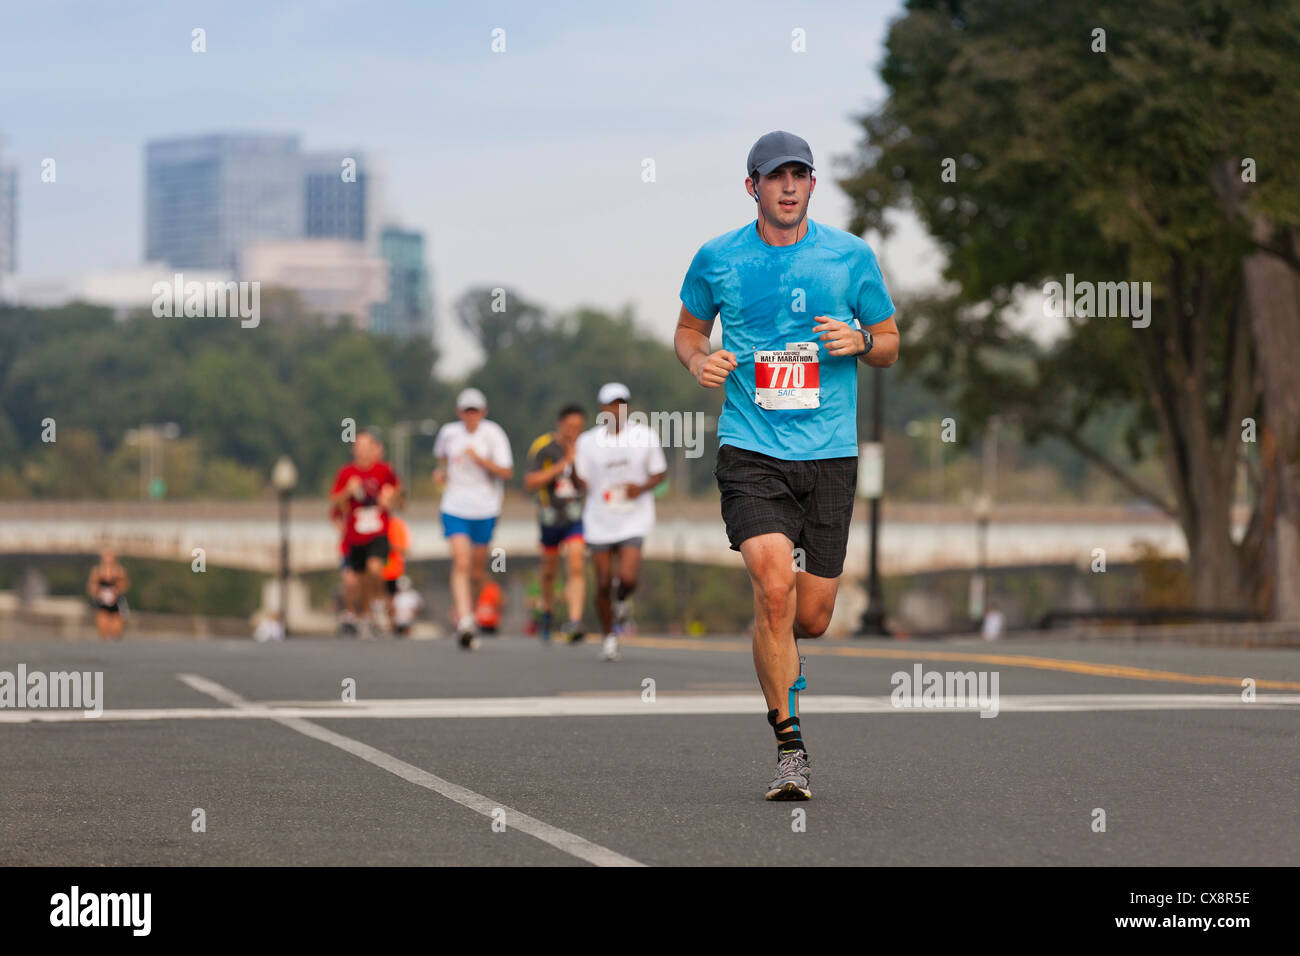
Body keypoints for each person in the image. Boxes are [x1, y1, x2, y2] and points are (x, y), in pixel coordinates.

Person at [674, 130, 900, 800]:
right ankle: (789, 746)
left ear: (810, 184)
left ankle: (777, 638)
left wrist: (859, 340)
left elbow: (889, 342)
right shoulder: (718, 258)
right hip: (751, 449)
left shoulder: (849, 257)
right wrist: (698, 360)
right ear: (753, 187)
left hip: (829, 454)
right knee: (774, 588)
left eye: (799, 174)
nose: (789, 186)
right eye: (776, 177)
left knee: (811, 617)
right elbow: (688, 330)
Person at [573, 383, 667, 661]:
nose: (617, 409)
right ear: (602, 409)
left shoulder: (644, 435)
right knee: (603, 582)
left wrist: (641, 487)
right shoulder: (587, 442)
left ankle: (623, 598)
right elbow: (581, 483)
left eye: (621, 403)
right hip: (600, 518)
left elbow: (659, 473)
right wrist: (572, 473)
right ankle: (609, 636)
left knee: (627, 577)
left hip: (633, 517)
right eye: (611, 404)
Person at [433, 387, 514, 650]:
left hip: (485, 507)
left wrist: (480, 460)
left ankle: (473, 611)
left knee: (477, 571)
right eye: (466, 411)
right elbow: (442, 460)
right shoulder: (448, 433)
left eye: (475, 411)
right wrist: (441, 474)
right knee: (461, 561)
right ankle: (466, 619)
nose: (471, 416)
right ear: (459, 412)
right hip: (455, 506)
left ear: (483, 412)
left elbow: (506, 471)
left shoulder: (493, 434)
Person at [523, 404, 588, 644]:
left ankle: (574, 619)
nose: (574, 432)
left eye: (579, 428)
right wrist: (562, 465)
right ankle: (547, 612)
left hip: (575, 516)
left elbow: (589, 482)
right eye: (570, 427)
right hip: (549, 515)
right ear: (560, 425)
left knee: (576, 562)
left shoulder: (588, 446)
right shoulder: (543, 447)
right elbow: (530, 481)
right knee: (549, 570)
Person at [329, 428, 400, 640]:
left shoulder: (385, 471)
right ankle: (363, 615)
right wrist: (348, 492)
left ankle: (376, 605)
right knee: (358, 579)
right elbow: (333, 502)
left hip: (378, 532)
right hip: (354, 536)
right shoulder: (346, 473)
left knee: (375, 568)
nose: (363, 452)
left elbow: (401, 499)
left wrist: (391, 498)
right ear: (353, 450)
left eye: (367, 447)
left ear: (375, 448)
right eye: (358, 447)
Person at [86, 549, 130, 640]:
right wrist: (98, 593)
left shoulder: (119, 570)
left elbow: (124, 585)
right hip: (102, 600)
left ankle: (115, 642)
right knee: (102, 625)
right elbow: (92, 586)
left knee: (117, 627)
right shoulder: (97, 571)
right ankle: (104, 644)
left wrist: (116, 591)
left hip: (116, 600)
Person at [382, 510, 412, 634]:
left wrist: (388, 546)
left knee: (390, 599)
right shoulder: (376, 525)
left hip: (392, 571)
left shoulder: (397, 525)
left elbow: (404, 549)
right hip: (378, 572)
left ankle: (392, 624)